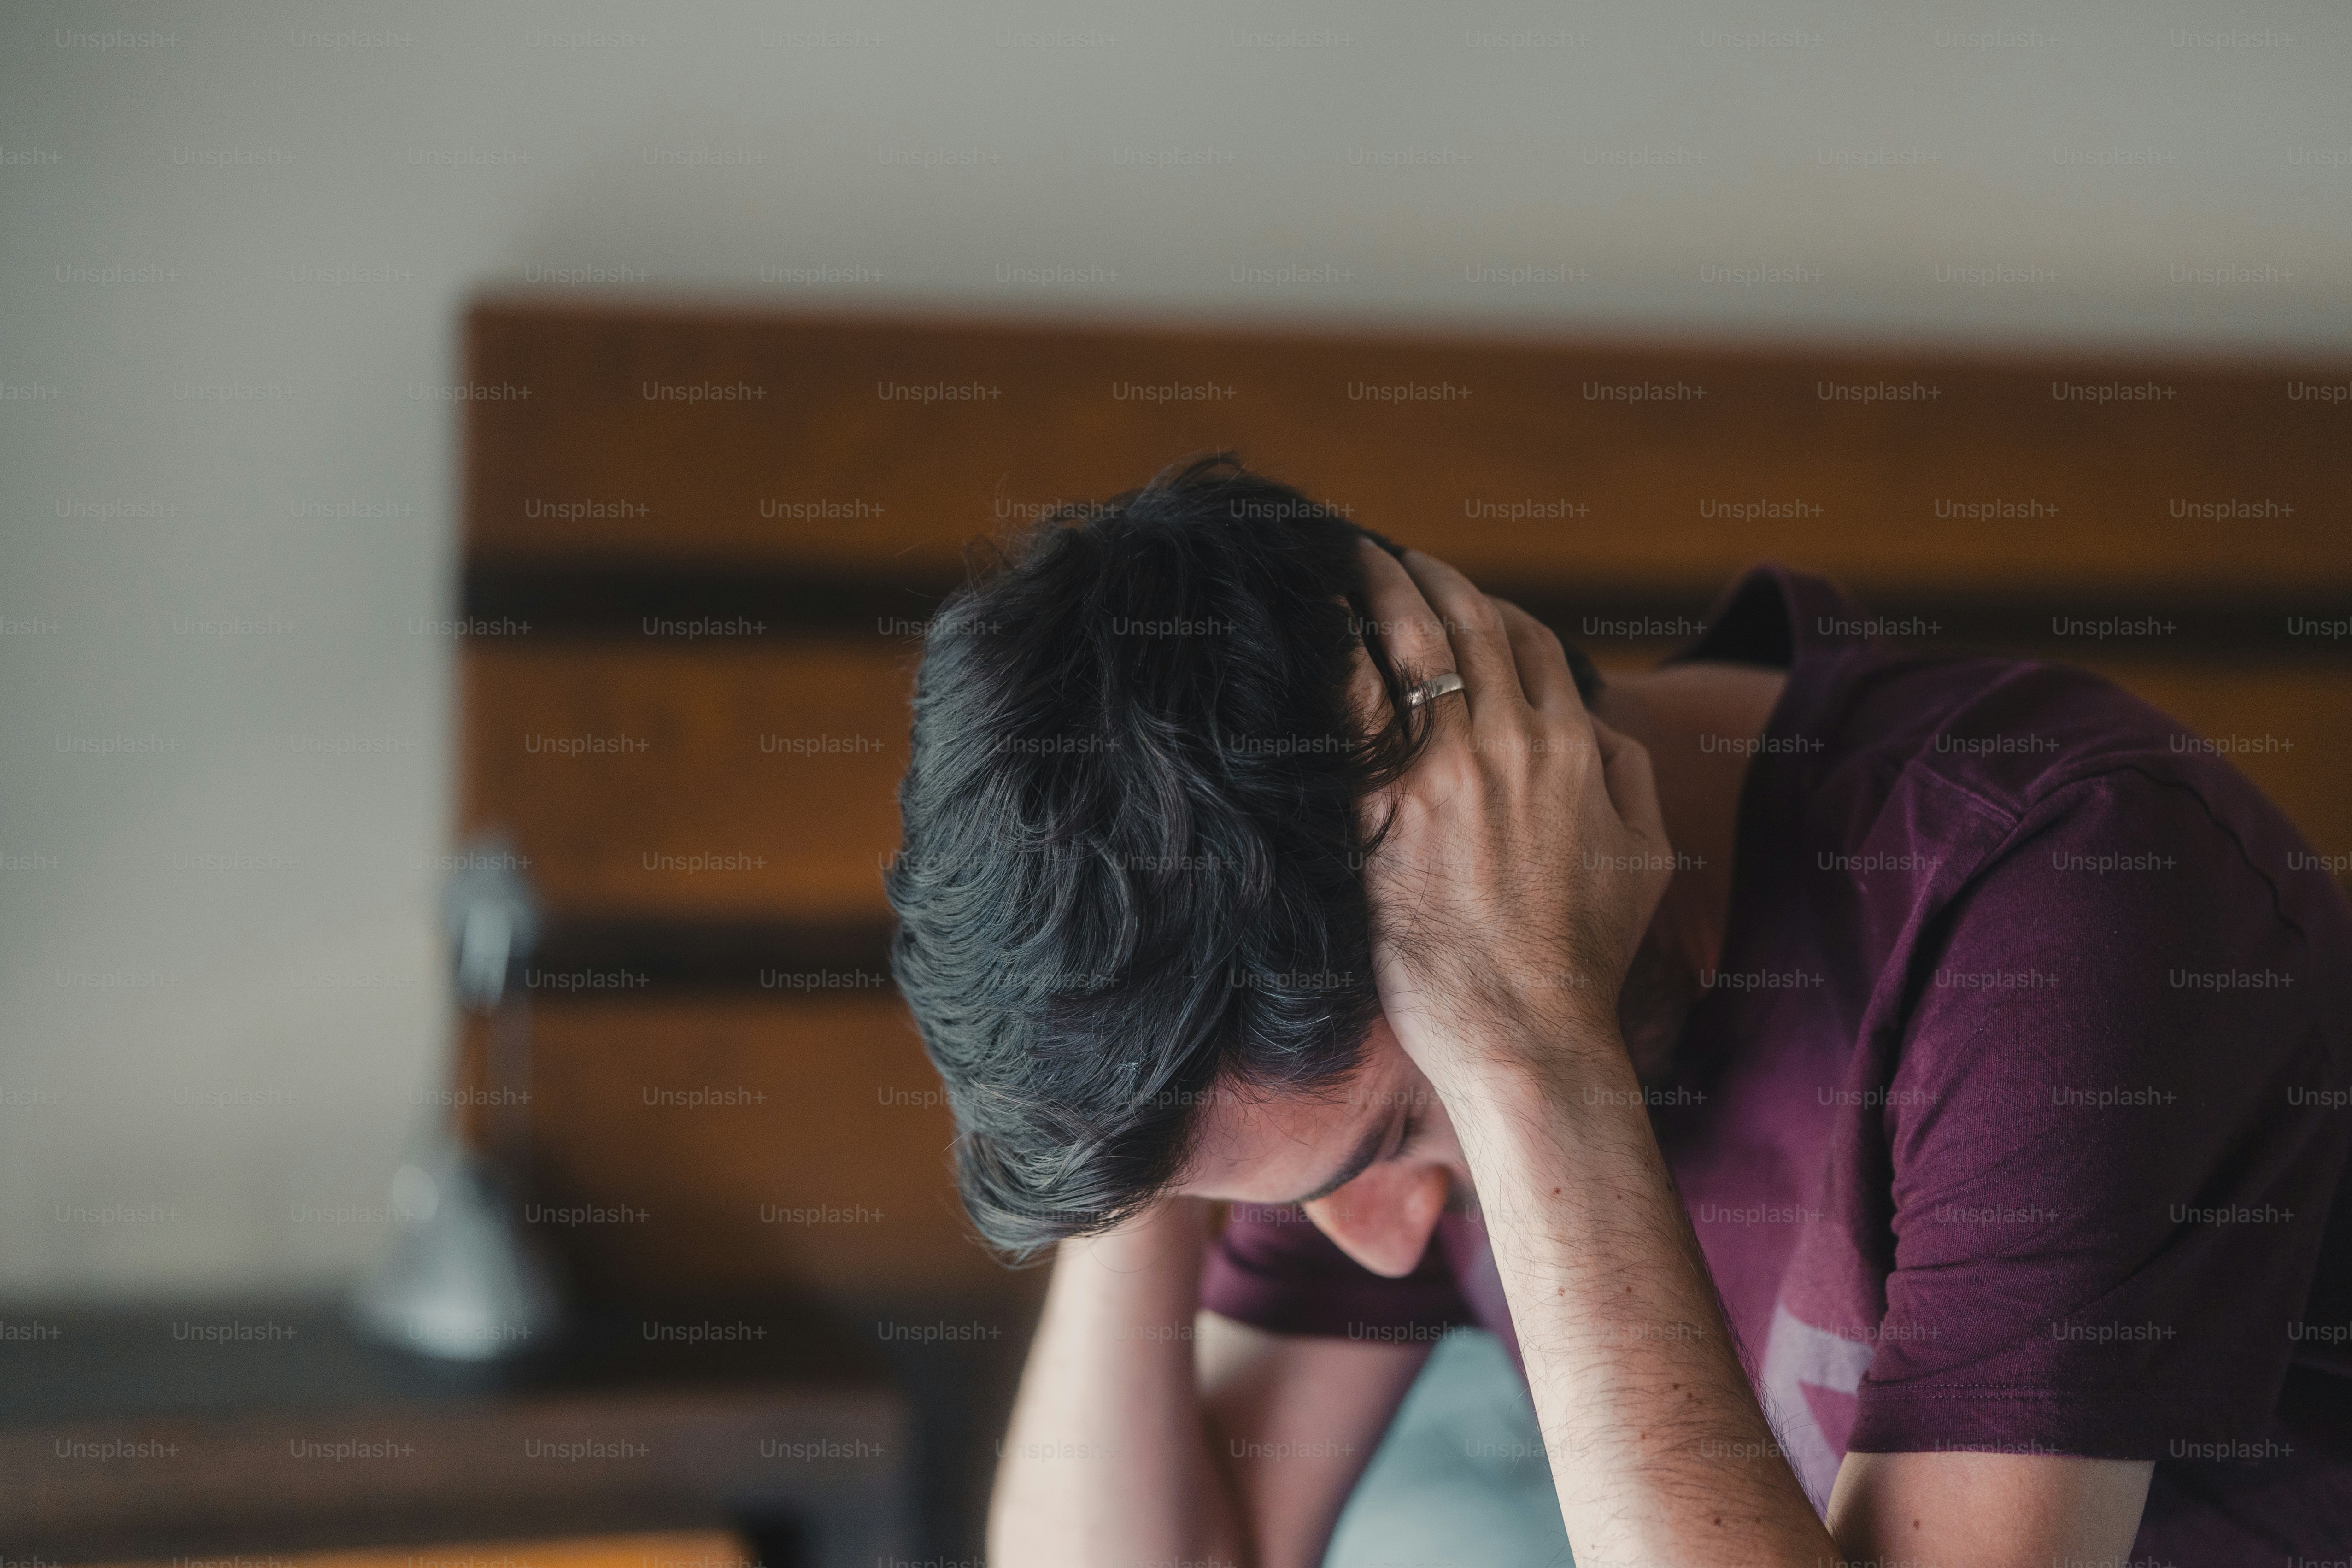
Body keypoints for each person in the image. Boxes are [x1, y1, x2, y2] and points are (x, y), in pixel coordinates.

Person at [883, 456, 2352, 1567]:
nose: (1389, 1240)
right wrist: (1126, 1106)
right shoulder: (1330, 1039)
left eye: (1386, 1139)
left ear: (1499, 804)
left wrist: (1527, 1057)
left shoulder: (2057, 880)